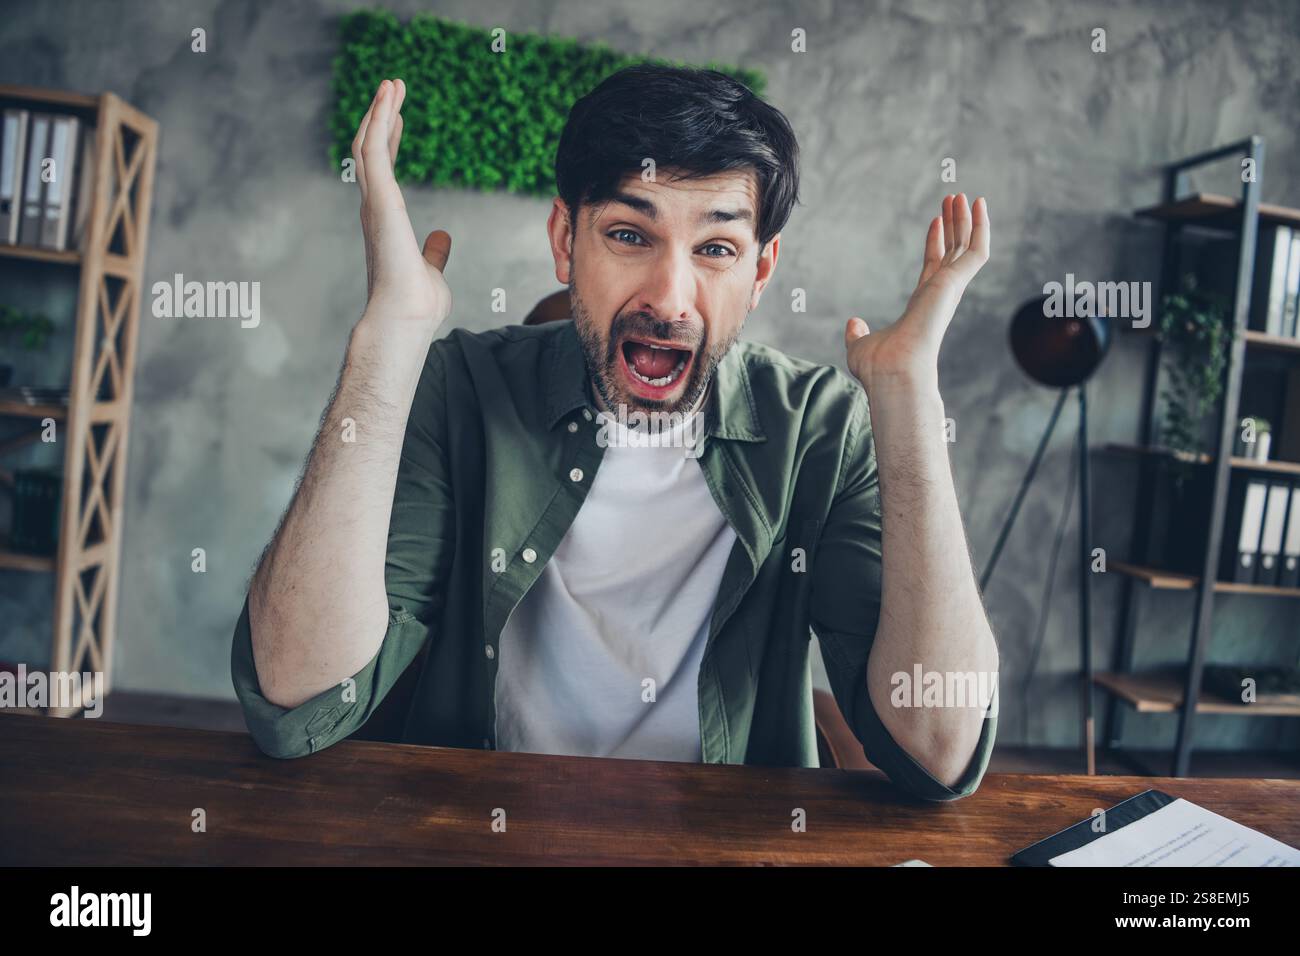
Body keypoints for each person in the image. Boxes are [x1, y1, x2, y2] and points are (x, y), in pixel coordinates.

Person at [231, 64, 999, 801]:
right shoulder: (460, 385)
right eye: (631, 235)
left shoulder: (822, 427)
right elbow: (296, 700)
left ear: (761, 274)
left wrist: (908, 404)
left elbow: (938, 752)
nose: (670, 296)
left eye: (716, 249)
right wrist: (388, 339)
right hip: (474, 836)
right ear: (566, 240)